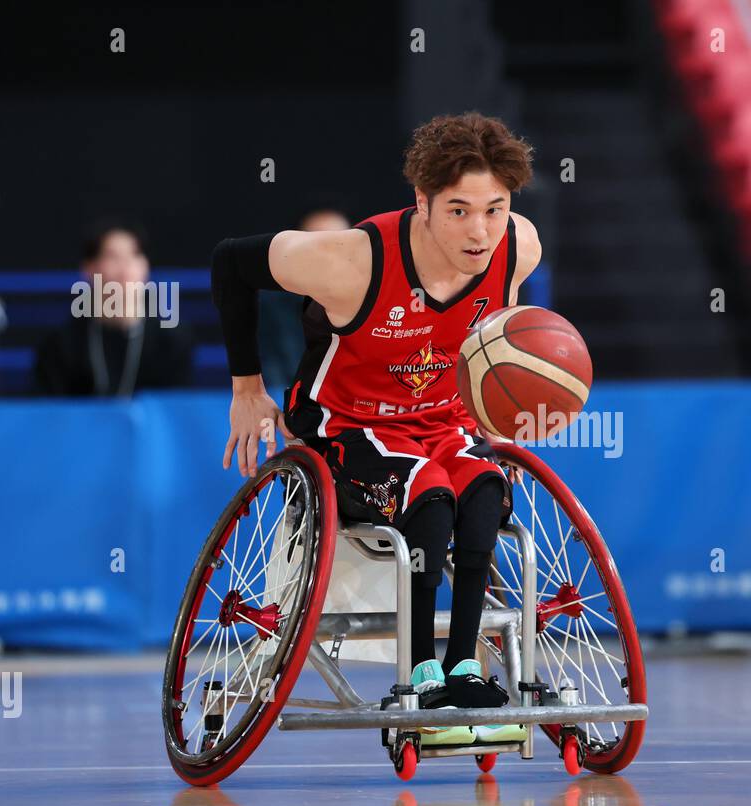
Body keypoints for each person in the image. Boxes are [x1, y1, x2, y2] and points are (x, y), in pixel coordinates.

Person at [211, 112, 542, 743]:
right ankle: (420, 675)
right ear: (422, 202)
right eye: (459, 210)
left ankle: (464, 667)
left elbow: (502, 330)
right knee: (432, 498)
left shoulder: (518, 247)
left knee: (482, 495)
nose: (480, 231)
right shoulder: (350, 262)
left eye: (495, 209)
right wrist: (247, 390)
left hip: (442, 423)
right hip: (346, 425)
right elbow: (231, 264)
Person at [36, 222, 194, 396]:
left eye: (134, 255)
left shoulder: (171, 341)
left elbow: (176, 413)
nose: (124, 266)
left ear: (145, 267)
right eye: (112, 256)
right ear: (88, 268)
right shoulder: (62, 345)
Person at [257, 206, 353, 387]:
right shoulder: (272, 304)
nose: (331, 254)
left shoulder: (374, 298)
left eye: (340, 243)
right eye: (321, 244)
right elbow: (267, 364)